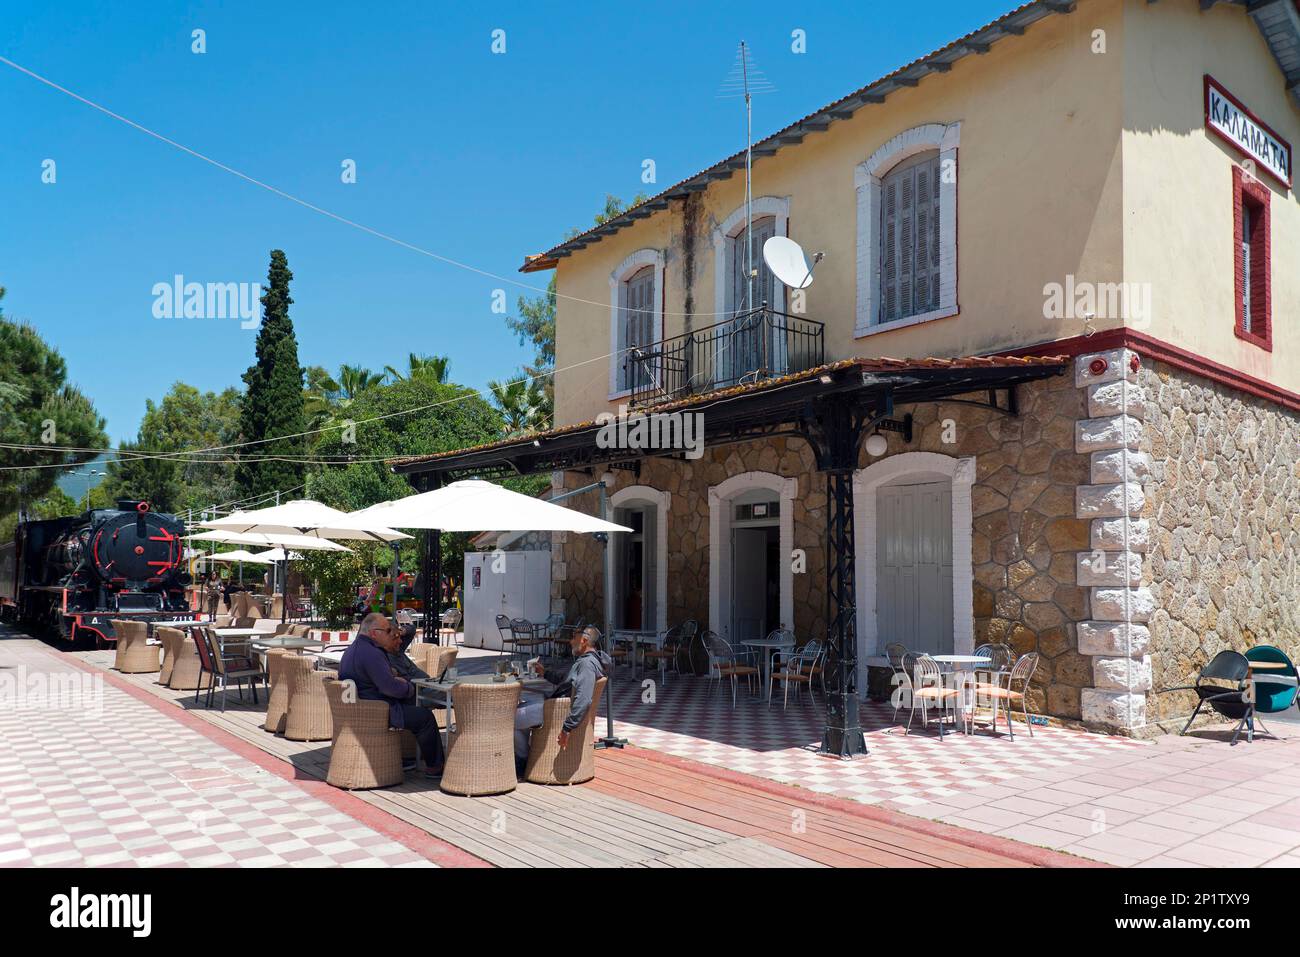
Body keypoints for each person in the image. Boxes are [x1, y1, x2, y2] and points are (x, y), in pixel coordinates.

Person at [339, 612, 444, 776]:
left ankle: (408, 756)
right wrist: (407, 687)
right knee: (424, 718)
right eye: (388, 631)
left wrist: (394, 677)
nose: (391, 634)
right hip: (379, 710)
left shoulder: (354, 649)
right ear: (374, 633)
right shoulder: (372, 654)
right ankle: (435, 766)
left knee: (417, 707)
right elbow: (390, 688)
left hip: (362, 709)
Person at [514, 625, 611, 771]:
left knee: (510, 718)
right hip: (554, 706)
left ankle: (522, 761)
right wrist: (545, 673)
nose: (571, 642)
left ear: (584, 640)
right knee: (521, 707)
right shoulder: (591, 660)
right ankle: (526, 757)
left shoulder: (586, 664)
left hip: (555, 712)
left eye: (574, 638)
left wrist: (567, 728)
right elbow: (567, 681)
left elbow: (583, 699)